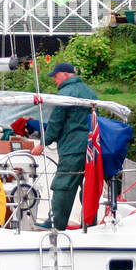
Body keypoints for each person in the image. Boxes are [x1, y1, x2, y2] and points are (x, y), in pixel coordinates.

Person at [38, 62, 97, 230]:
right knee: (88, 186)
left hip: (72, 148)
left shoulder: (64, 94)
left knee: (64, 184)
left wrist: (43, 143)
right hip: (91, 148)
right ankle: (90, 223)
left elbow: (56, 123)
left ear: (64, 74)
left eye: (55, 76)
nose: (54, 80)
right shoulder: (90, 93)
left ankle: (56, 223)